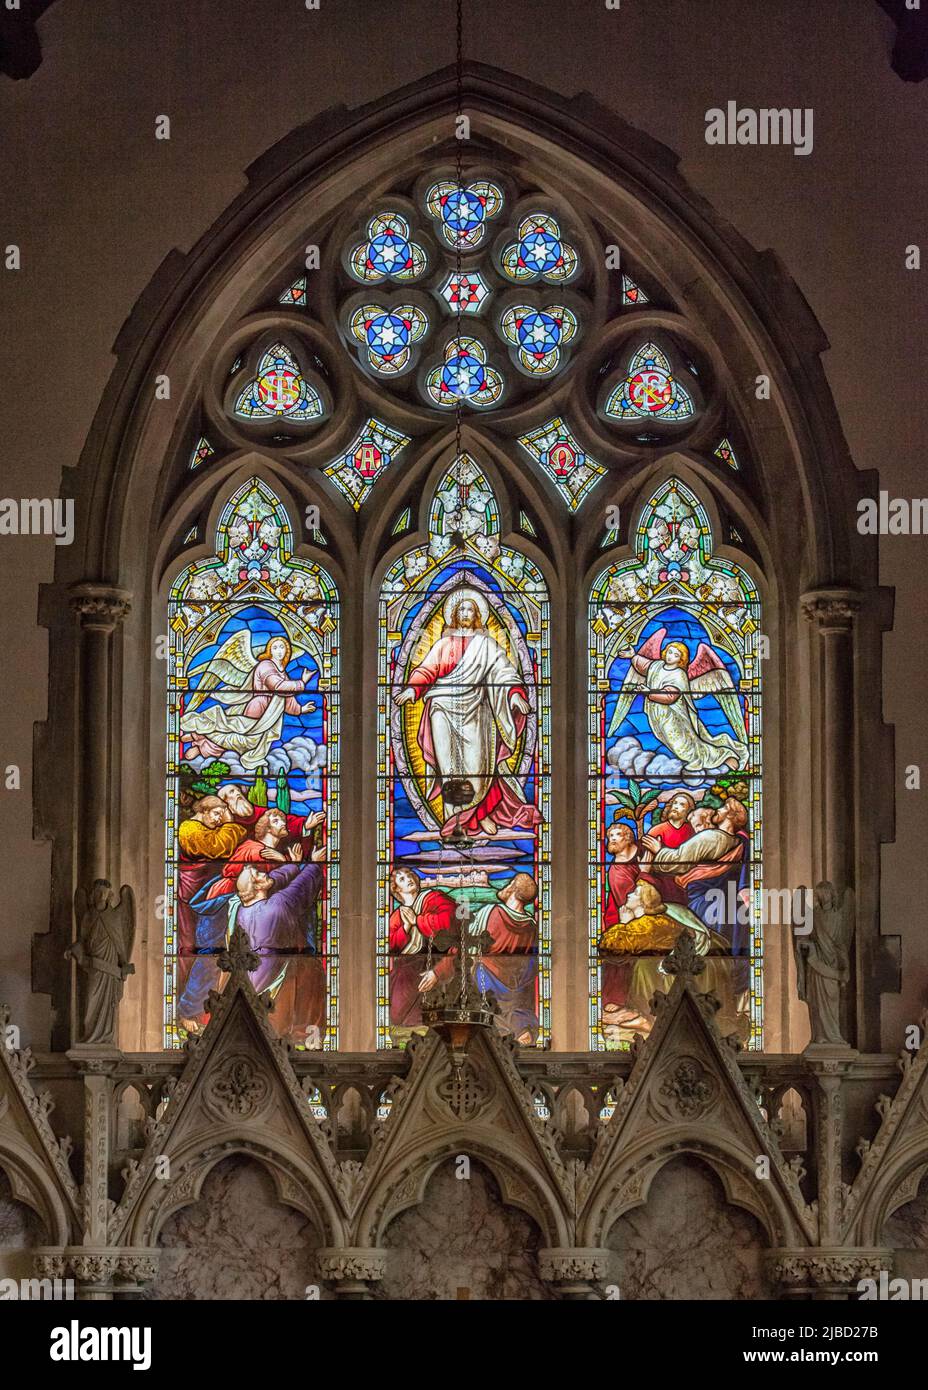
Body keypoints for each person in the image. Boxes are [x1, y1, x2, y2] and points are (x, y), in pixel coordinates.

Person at [393, 588, 541, 839]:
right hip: (441, 707)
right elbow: (427, 669)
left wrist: (515, 694)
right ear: (453, 613)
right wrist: (412, 690)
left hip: (478, 713)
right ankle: (454, 821)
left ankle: (479, 815)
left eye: (470, 609)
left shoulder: (486, 645)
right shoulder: (443, 644)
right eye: (461, 609)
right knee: (449, 767)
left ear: (477, 614)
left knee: (477, 768)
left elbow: (503, 673)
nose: (465, 613)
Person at [421, 873, 539, 1043]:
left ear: (513, 889)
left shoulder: (492, 913)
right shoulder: (531, 927)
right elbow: (532, 965)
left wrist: (437, 973)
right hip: (516, 990)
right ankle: (519, 1035)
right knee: (511, 1017)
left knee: (482, 1013)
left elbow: (464, 946)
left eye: (510, 883)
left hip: (485, 981)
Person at [608, 628, 747, 771]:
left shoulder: (679, 675)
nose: (670, 656)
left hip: (675, 717)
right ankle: (700, 758)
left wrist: (649, 693)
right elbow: (644, 666)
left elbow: (670, 697)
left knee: (682, 744)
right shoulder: (657, 665)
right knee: (671, 742)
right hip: (658, 715)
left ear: (681, 659)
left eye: (675, 655)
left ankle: (721, 757)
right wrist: (633, 656)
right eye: (669, 652)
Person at [234, 841, 326, 995]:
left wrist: (294, 865)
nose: (264, 873)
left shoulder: (243, 908)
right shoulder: (275, 907)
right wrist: (314, 864)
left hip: (251, 970)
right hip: (270, 971)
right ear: (257, 887)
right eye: (258, 874)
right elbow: (299, 888)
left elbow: (274, 879)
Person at [388, 867, 458, 1027]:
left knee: (426, 1018)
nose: (409, 879)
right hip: (406, 970)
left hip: (434, 962)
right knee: (398, 1016)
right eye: (402, 879)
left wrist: (418, 921)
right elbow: (390, 944)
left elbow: (449, 921)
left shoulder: (433, 898)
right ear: (397, 889)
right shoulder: (398, 915)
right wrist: (405, 927)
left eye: (409, 875)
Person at [639, 791, 696, 905]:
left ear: (689, 811)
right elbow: (647, 862)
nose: (676, 806)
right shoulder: (656, 831)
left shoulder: (691, 831)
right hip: (662, 884)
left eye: (681, 805)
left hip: (686, 883)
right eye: (675, 803)